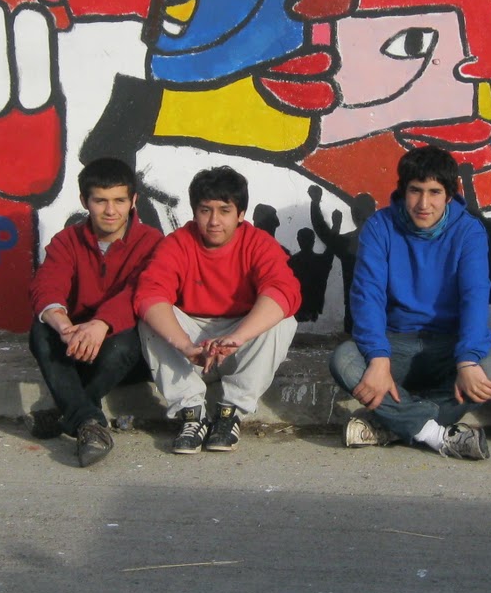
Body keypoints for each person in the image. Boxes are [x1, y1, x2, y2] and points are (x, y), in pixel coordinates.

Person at [328, 145, 491, 460]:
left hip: (448, 347)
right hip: (396, 345)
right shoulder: (380, 227)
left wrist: (467, 360)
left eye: (435, 192)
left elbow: (475, 298)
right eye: (415, 191)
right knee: (344, 359)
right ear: (403, 190)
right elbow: (367, 295)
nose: (424, 204)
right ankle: (434, 434)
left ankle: (390, 424)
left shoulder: (468, 231)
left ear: (449, 195)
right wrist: (379, 359)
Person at [134, 166, 300, 454]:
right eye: (205, 210)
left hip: (240, 340)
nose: (214, 221)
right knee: (150, 317)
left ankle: (230, 412)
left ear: (240, 214)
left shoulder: (259, 243)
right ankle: (191, 411)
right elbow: (150, 293)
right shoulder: (178, 243)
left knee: (283, 319)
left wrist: (237, 338)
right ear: (194, 212)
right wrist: (186, 346)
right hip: (192, 341)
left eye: (224, 210)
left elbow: (284, 291)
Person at [29, 157, 163, 467]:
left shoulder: (153, 243)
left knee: (124, 343)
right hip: (78, 344)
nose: (111, 210)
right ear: (84, 201)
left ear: (133, 200)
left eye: (119, 200)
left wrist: (102, 323)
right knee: (40, 331)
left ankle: (65, 416)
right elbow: (46, 285)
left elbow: (142, 291)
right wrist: (63, 325)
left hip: (128, 351)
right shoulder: (68, 241)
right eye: (100, 201)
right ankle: (89, 423)